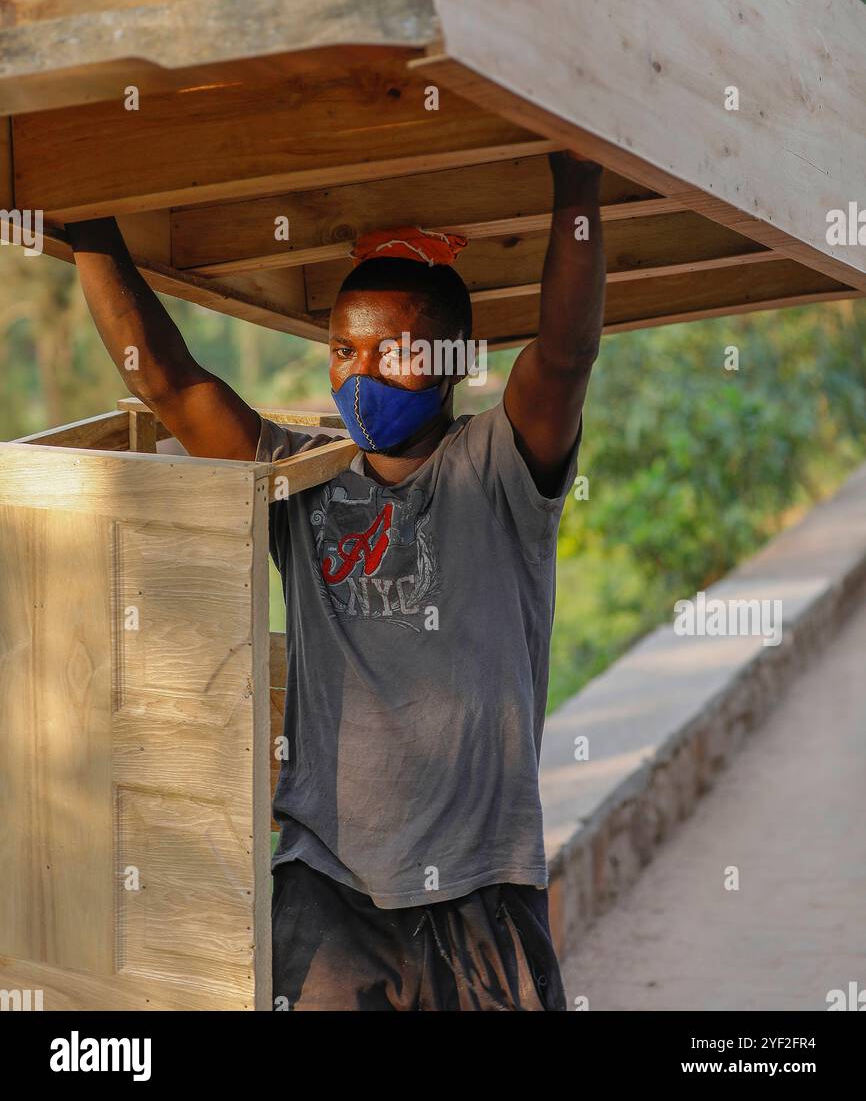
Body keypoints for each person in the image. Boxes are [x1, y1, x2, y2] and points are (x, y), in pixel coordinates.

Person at [66, 149, 606, 1010]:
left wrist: (576, 180)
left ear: (456, 360)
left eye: (393, 351)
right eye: (344, 350)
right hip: (328, 891)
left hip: (482, 883)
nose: (360, 373)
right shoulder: (296, 476)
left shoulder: (499, 468)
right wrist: (85, 223)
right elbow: (167, 381)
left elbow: (568, 354)